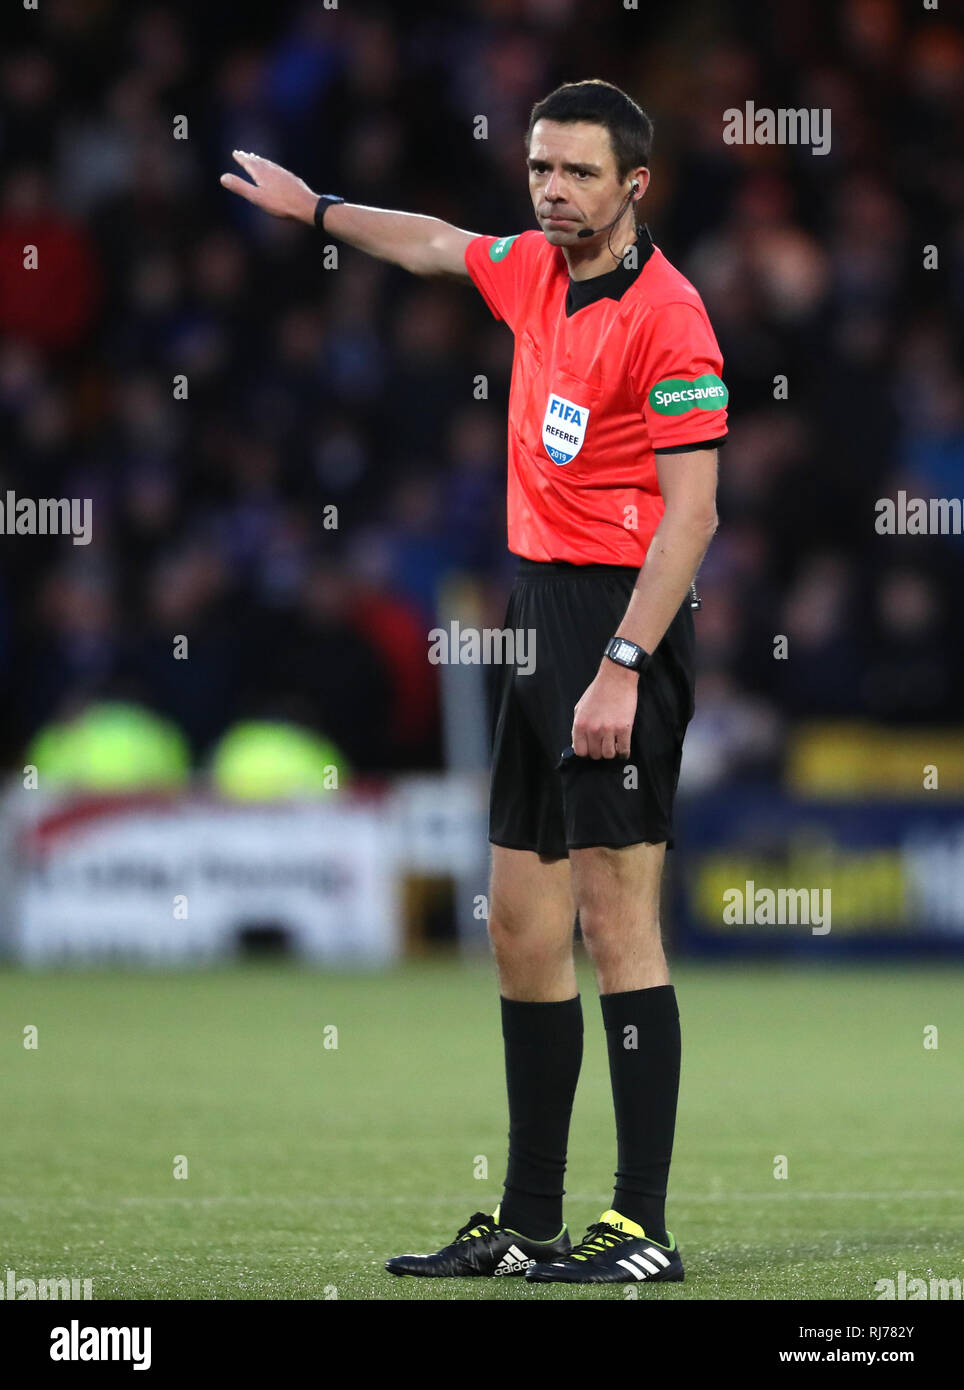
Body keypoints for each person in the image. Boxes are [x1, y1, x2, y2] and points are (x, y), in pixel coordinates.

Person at [221, 78, 726, 1285]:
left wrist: (620, 666)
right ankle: (529, 1221)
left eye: (578, 173)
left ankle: (641, 1225)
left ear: (634, 185)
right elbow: (440, 246)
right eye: (541, 168)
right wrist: (321, 209)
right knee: (518, 930)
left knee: (618, 925)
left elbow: (693, 518)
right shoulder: (534, 270)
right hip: (536, 616)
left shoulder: (672, 318)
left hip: (617, 625)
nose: (552, 190)